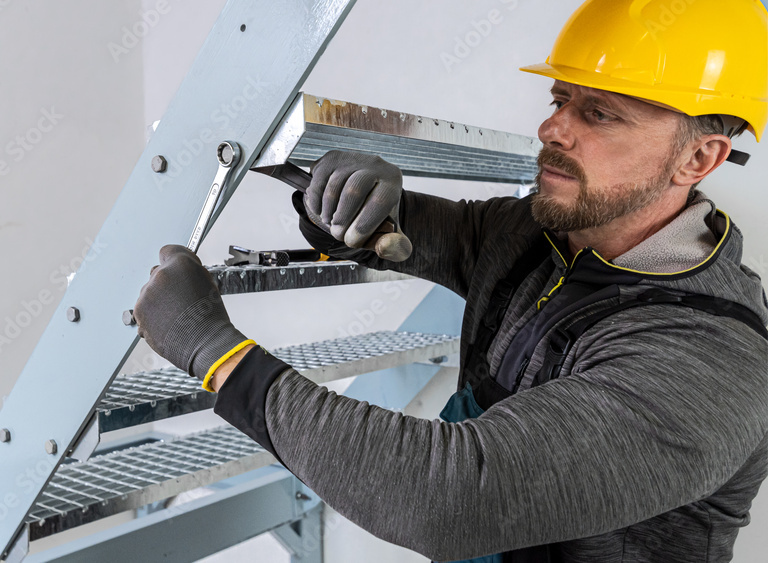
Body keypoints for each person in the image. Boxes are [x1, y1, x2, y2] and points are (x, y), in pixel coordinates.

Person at [132, 0, 768, 560]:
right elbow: (424, 234)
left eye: (599, 114)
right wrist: (339, 201)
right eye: (560, 101)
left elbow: (452, 497)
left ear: (698, 157)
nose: (552, 129)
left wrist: (215, 355)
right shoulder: (535, 231)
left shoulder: (708, 357)